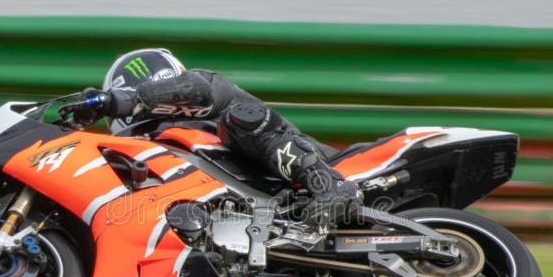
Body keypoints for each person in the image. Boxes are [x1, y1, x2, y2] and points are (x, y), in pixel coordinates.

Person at [63, 48, 362, 223]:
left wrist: (114, 101)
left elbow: (196, 89)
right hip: (251, 212)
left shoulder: (205, 94)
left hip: (333, 165)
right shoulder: (152, 148)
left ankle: (326, 184)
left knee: (240, 119)